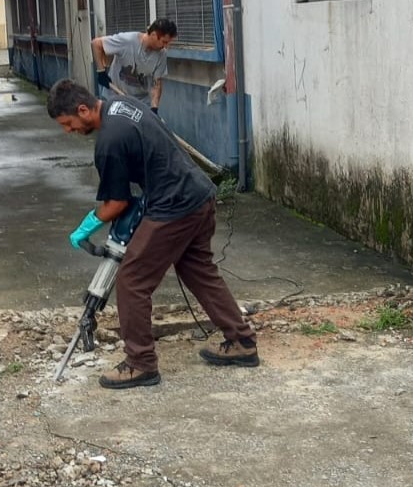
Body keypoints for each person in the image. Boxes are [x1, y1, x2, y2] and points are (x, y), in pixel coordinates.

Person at [47, 79, 259, 390]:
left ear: (82, 109)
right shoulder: (123, 104)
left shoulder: (109, 140)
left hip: (173, 207)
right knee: (199, 272)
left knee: (132, 280)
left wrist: (86, 226)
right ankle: (242, 340)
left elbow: (116, 203)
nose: (69, 130)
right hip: (199, 196)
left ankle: (140, 363)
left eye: (68, 123)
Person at [91, 18, 177, 114]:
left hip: (140, 104)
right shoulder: (128, 41)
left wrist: (154, 108)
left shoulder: (161, 54)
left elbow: (156, 84)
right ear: (153, 35)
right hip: (114, 98)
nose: (166, 46)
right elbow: (96, 44)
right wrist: (101, 72)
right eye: (164, 42)